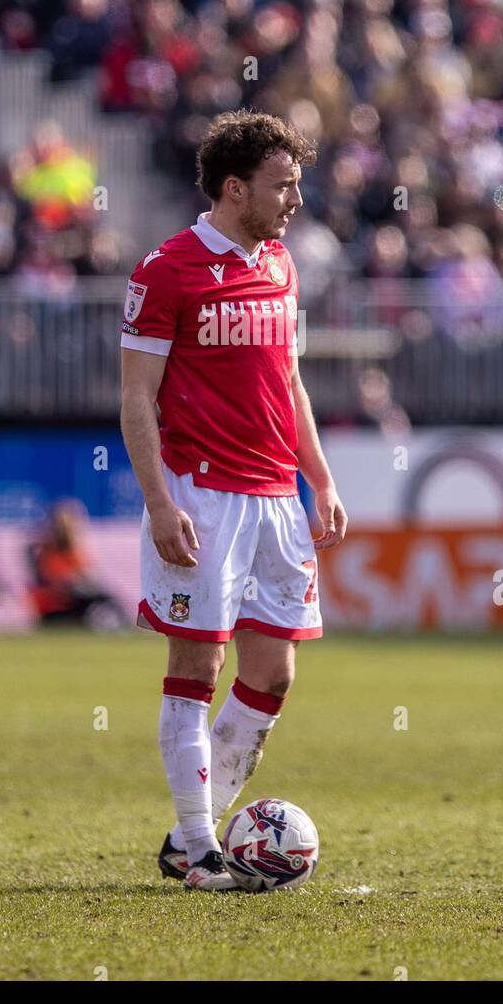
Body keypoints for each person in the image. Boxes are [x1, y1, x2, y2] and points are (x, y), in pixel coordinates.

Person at [120, 110, 348, 890]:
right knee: (197, 665)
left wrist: (319, 478)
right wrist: (158, 502)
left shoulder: (281, 265)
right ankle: (197, 845)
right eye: (282, 186)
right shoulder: (167, 270)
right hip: (202, 495)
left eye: (296, 184)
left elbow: (289, 382)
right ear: (233, 187)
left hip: (276, 499)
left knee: (274, 675)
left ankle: (197, 835)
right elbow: (135, 399)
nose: (294, 199)